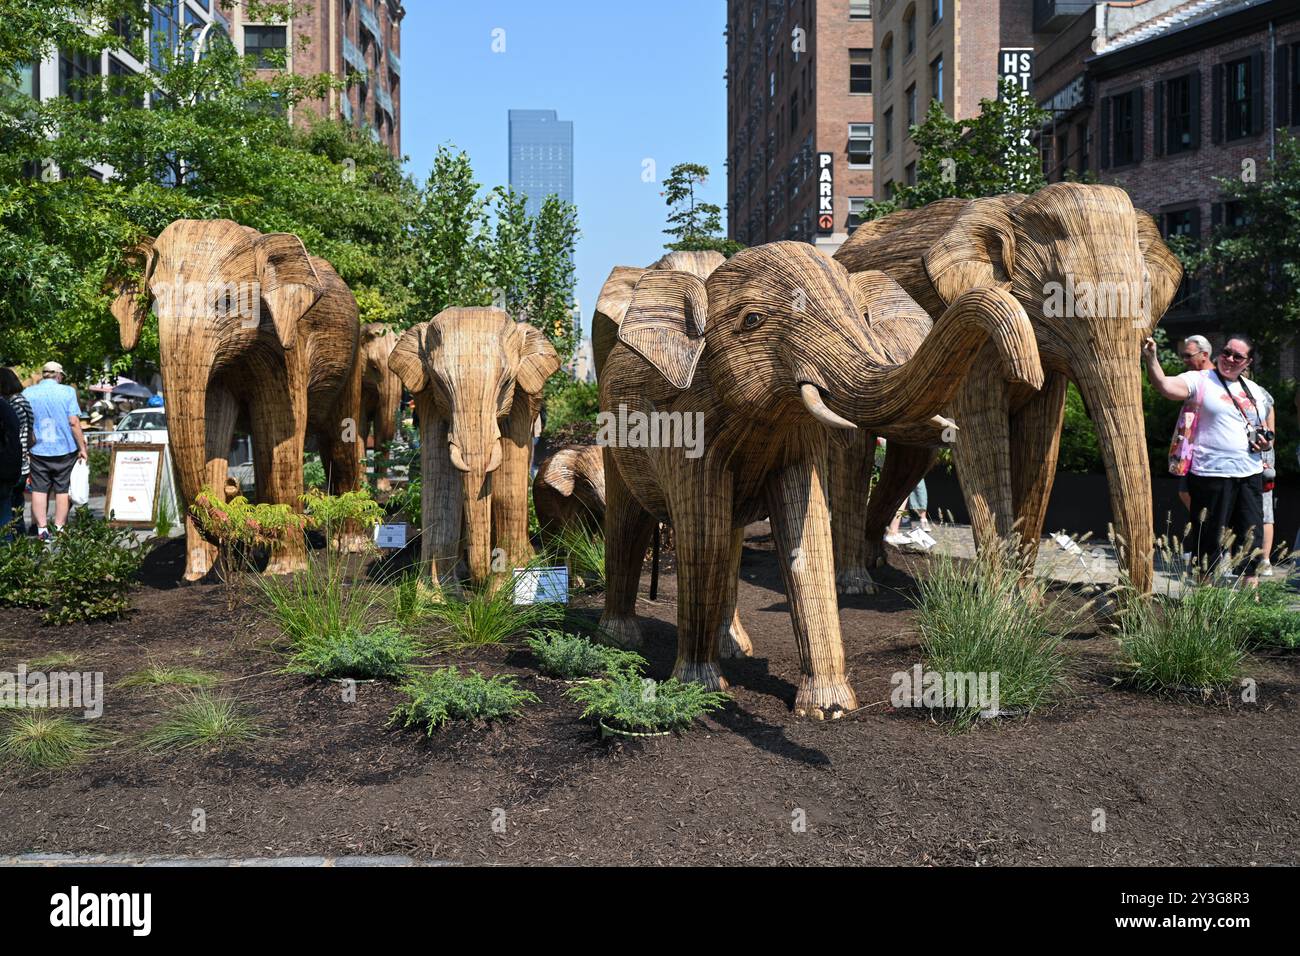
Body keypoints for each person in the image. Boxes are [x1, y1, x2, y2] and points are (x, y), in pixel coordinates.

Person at [1144, 334, 1269, 582]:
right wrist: (1151, 359)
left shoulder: (1253, 390)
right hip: (1211, 473)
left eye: (1237, 356)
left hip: (1249, 472)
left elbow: (1262, 428)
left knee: (1249, 537)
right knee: (1208, 539)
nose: (1229, 359)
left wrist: (1266, 441)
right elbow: (1165, 387)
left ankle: (1249, 599)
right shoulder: (1200, 379)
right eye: (1226, 352)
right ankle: (1205, 597)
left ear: (1248, 362)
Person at [22, 361, 87, 540]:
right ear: (58, 375)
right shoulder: (67, 392)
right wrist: (82, 448)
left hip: (37, 449)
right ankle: (59, 529)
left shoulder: (28, 392)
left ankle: (42, 529)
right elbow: (73, 422)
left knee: (39, 490)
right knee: (62, 489)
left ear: (43, 374)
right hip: (64, 449)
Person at [1176, 335, 1215, 515]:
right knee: (1184, 491)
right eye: (1183, 356)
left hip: (1209, 450)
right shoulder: (1193, 377)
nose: (1185, 360)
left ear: (1204, 354)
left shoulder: (1216, 380)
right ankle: (1204, 525)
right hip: (1188, 446)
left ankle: (1208, 526)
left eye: (1188, 355)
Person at [0, 368, 34, 536]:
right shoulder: (23, 401)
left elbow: (14, 434)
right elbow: (29, 436)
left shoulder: (12, 405)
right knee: (16, 507)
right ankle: (17, 544)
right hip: (20, 461)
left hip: (11, 462)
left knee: (10, 510)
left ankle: (13, 543)